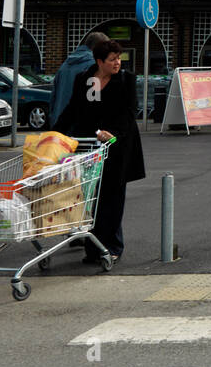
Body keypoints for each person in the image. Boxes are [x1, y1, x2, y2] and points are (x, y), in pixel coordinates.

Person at [52, 38, 146, 265]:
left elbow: (129, 112)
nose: (117, 63)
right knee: (91, 197)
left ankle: (112, 247)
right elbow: (74, 109)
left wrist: (111, 133)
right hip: (90, 145)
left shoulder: (125, 79)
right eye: (112, 60)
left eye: (119, 59)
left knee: (112, 198)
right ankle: (94, 249)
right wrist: (55, 133)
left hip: (118, 145)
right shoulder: (85, 79)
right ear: (99, 61)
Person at [50, 31, 109, 127]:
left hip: (60, 125)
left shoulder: (64, 66)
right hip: (82, 128)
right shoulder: (94, 66)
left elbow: (53, 97)